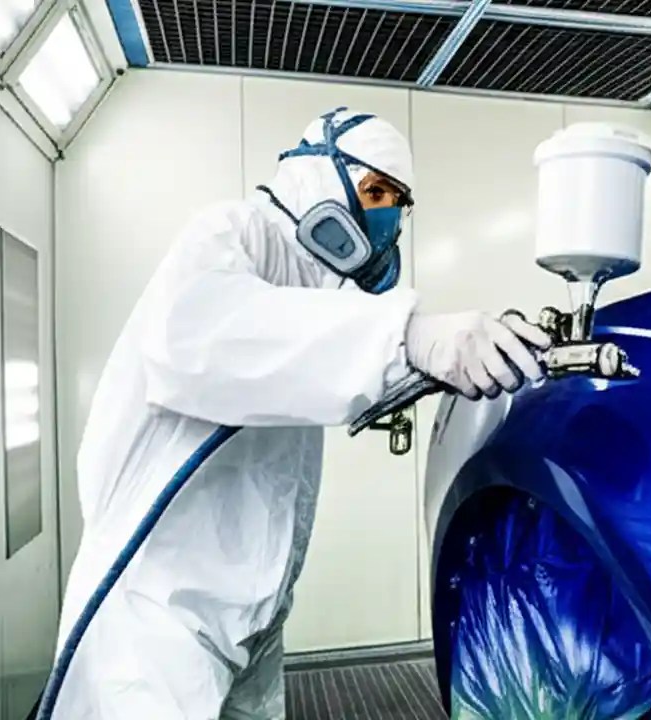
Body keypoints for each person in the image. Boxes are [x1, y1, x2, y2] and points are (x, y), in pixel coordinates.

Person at [52, 108, 551, 718]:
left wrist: (432, 365)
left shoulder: (321, 295)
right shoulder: (234, 232)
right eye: (373, 192)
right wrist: (408, 338)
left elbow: (305, 365)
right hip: (156, 617)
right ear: (317, 177)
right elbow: (196, 337)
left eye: (396, 200)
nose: (384, 214)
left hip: (251, 621)